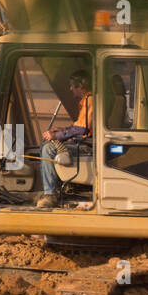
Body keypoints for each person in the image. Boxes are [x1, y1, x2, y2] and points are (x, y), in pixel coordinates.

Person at [37, 70, 93, 209]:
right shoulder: (87, 100)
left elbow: (82, 129)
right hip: (85, 142)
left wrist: (56, 136)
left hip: (88, 146)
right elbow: (80, 125)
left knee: (48, 148)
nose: (70, 89)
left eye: (72, 86)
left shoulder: (90, 100)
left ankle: (50, 195)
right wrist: (62, 130)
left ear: (80, 87)